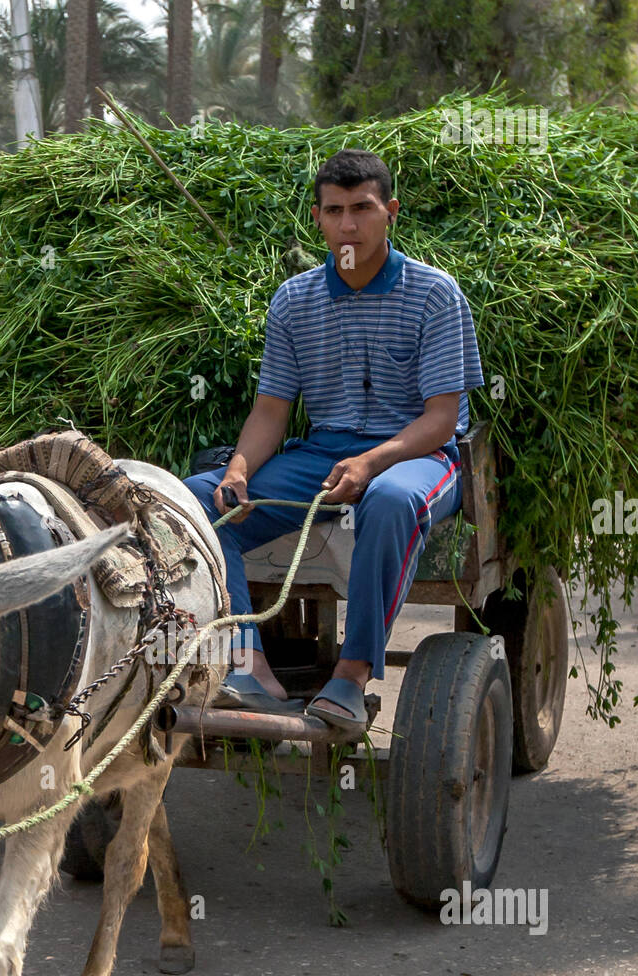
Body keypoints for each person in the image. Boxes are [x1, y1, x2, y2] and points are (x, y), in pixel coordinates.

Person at [184, 149, 485, 733]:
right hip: (322, 452)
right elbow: (272, 410)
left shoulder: (433, 294)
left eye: (363, 209)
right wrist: (239, 471)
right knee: (199, 500)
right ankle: (248, 665)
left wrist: (372, 463)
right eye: (335, 210)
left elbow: (442, 419)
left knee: (391, 500)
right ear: (317, 218)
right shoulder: (294, 301)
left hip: (417, 455)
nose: (349, 225)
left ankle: (350, 675)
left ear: (390, 212)